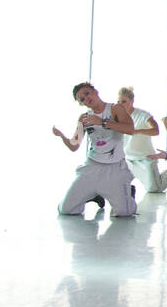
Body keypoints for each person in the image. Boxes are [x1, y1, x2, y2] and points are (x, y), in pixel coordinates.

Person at [52, 82, 138, 218]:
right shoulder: (84, 118)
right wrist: (62, 136)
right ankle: (91, 194)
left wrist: (102, 123)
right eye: (82, 99)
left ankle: (128, 193)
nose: (86, 99)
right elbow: (74, 145)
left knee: (124, 213)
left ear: (95, 91)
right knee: (65, 209)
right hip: (92, 166)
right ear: (82, 104)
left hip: (115, 167)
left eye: (87, 93)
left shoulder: (116, 109)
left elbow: (130, 130)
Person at [117, 86, 167, 194]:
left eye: (124, 101)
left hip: (146, 158)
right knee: (117, 184)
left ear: (132, 101)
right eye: (118, 102)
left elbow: (156, 131)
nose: (121, 104)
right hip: (128, 159)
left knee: (153, 190)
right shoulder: (118, 118)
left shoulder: (143, 115)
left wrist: (137, 131)